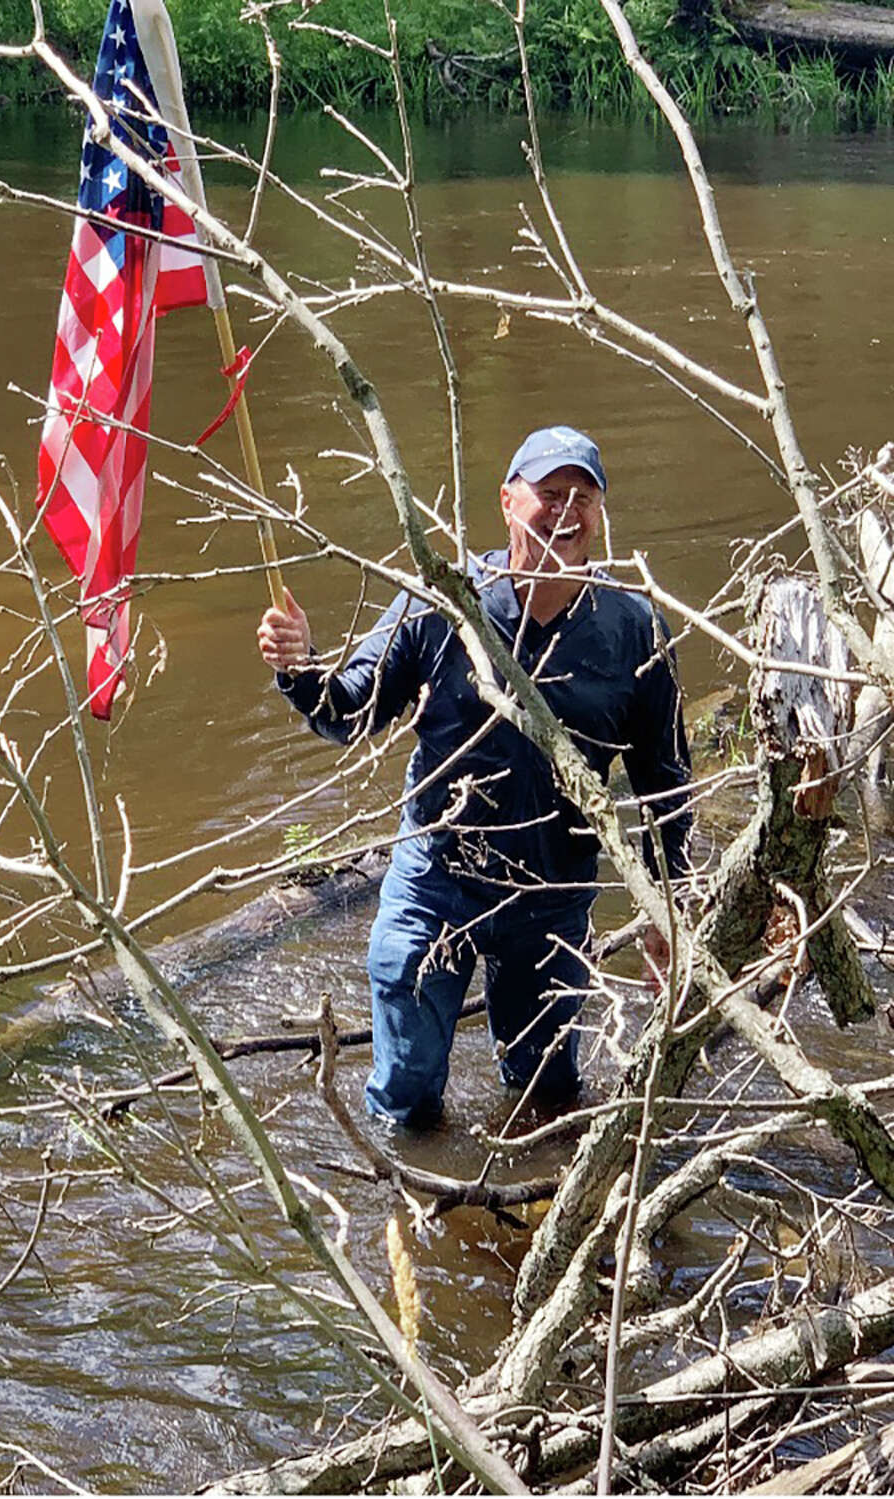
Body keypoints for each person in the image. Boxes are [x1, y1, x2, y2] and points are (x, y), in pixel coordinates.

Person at [256, 426, 691, 1127]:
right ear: (507, 502)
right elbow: (351, 711)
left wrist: (667, 911)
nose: (566, 512)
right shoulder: (444, 601)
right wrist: (301, 667)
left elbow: (664, 787)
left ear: (602, 514)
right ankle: (406, 1207)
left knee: (547, 1094)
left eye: (584, 496)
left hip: (551, 894)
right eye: (549, 494)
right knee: (406, 1092)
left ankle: (541, 1215)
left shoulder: (634, 630)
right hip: (438, 881)